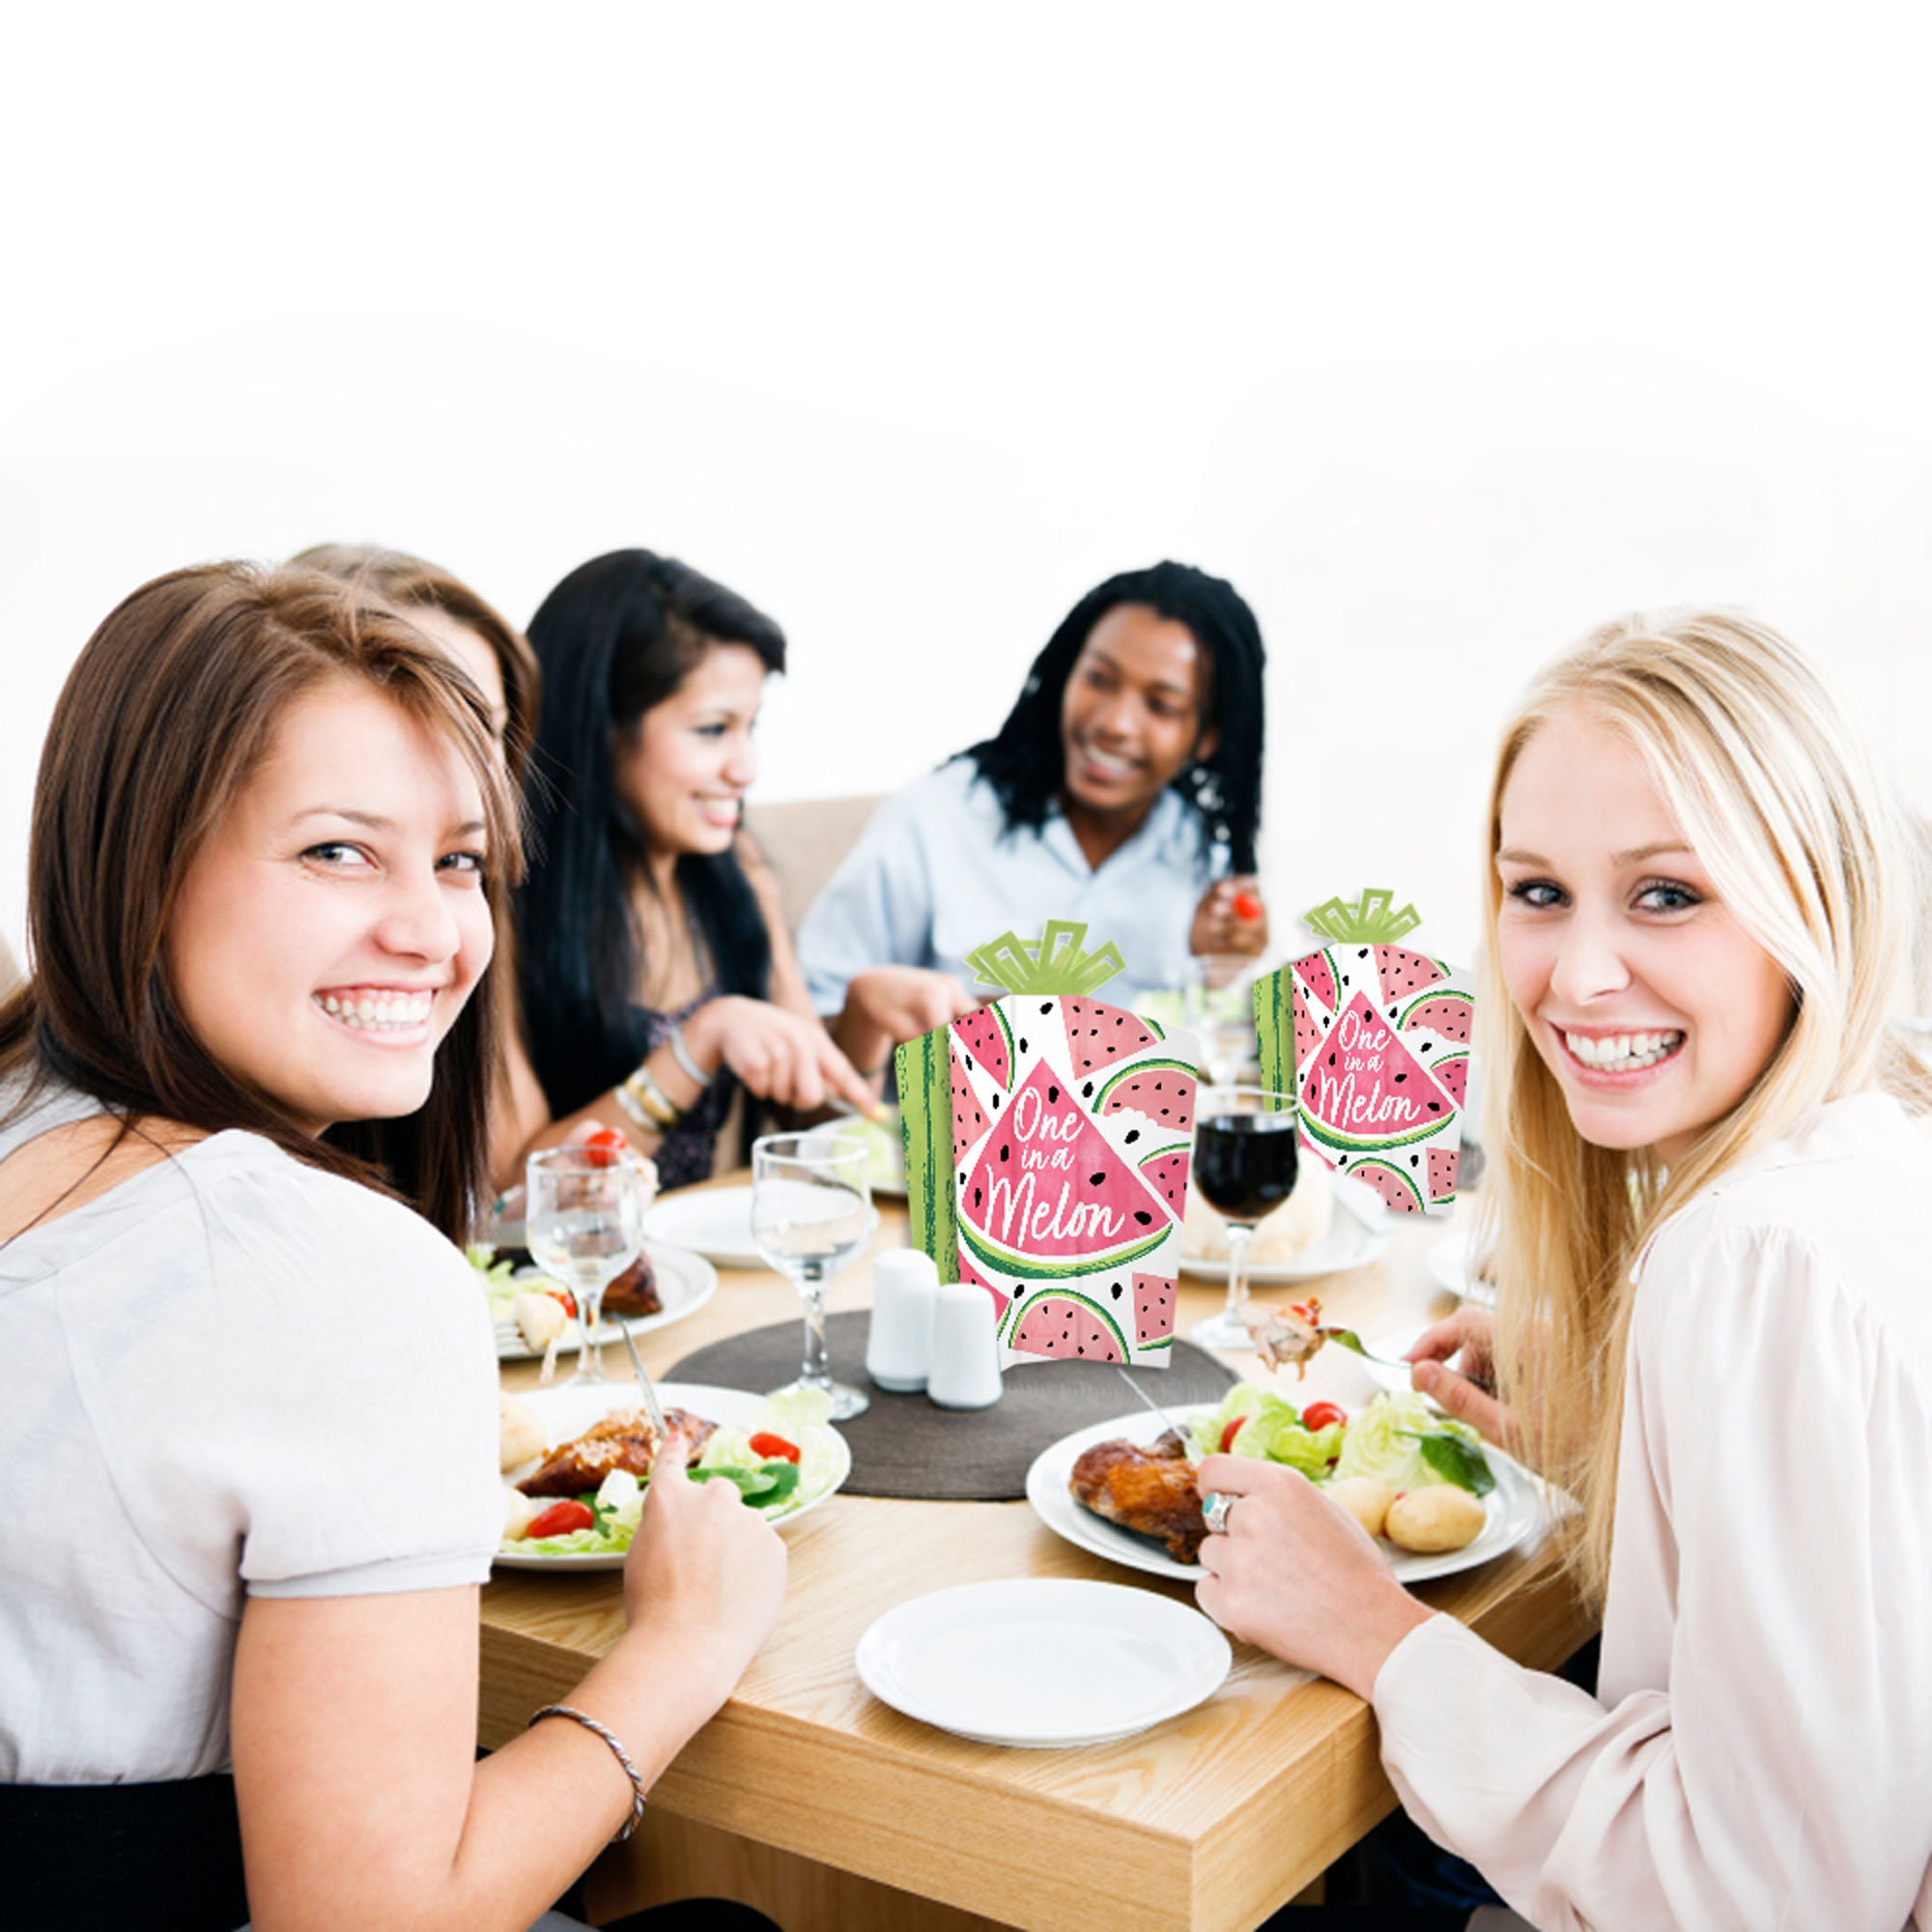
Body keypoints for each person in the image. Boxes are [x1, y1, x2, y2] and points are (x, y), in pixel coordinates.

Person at [0, 564, 786, 1931]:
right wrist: (682, 1644)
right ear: (140, 860)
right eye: (335, 851)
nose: (432, 932)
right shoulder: (331, 1275)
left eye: (461, 862)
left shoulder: (24, 1092)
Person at [1192, 611, 1932, 1930]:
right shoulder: (1878, 1153)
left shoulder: (1753, 1252)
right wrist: (1619, 1450)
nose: (1576, 978)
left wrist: (1368, 1624)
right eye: (1537, 892)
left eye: (1668, 893)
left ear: (1816, 899)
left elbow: (1779, 1901)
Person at [795, 561, 1271, 1064]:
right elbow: (806, 1044)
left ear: (1209, 737)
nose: (1114, 723)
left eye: (1161, 705)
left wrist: (1217, 970)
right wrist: (879, 1012)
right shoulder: (935, 820)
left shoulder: (1201, 858)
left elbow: (1208, 1065)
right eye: (1099, 679)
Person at [513, 549, 880, 1190]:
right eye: (712, 730)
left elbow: (809, 1114)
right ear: (600, 730)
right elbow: (512, 1191)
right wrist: (695, 1047)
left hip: (720, 1272)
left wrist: (868, 1022)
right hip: (559, 1285)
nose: (746, 769)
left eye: (750, 728)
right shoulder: (499, 902)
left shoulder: (735, 869)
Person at [288, 542, 553, 1187]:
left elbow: (502, 1158)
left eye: (481, 725)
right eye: (338, 854)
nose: (464, 762)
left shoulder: (462, 906)